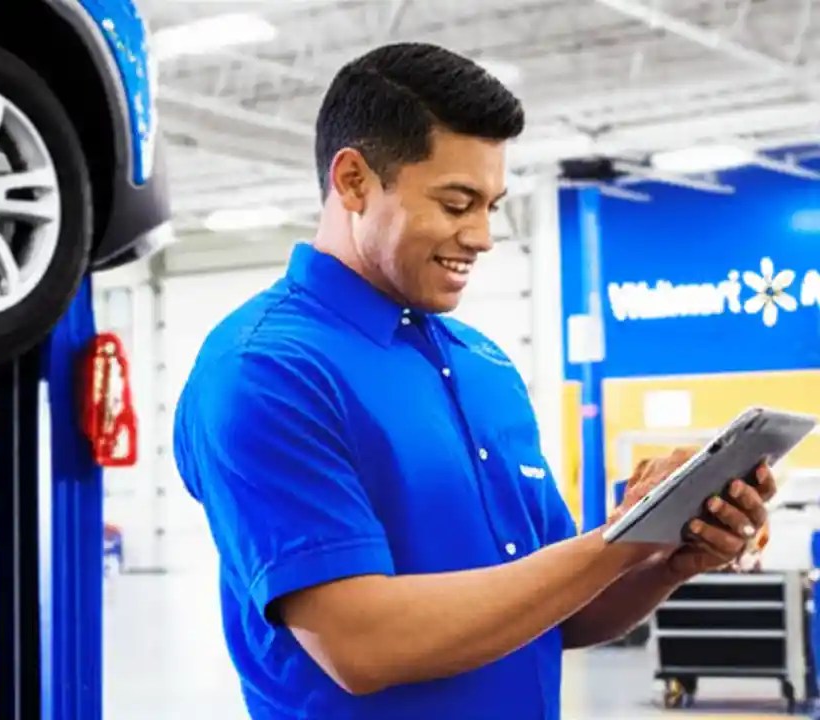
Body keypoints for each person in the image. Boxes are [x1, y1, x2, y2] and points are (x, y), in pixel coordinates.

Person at [171, 42, 776, 720]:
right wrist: (617, 545)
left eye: (493, 204)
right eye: (457, 203)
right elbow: (361, 644)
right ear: (353, 182)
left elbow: (563, 615)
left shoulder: (483, 364)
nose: (484, 236)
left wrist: (668, 553)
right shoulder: (267, 372)